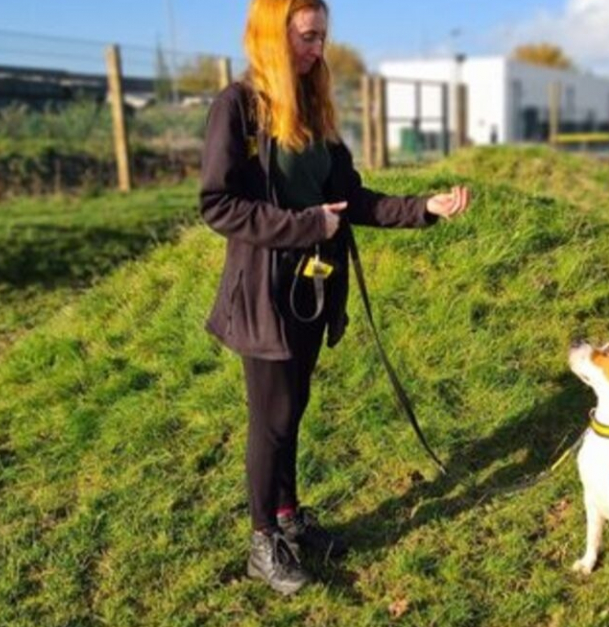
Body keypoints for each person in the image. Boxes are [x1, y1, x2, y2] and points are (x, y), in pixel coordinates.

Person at [199, 0, 471, 596]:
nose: (317, 49)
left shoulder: (314, 109)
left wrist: (424, 208)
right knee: (270, 419)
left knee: (292, 407)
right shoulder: (238, 106)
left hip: (312, 287)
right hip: (264, 294)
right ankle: (262, 540)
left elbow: (353, 199)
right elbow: (218, 204)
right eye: (306, 36)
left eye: (321, 36)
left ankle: (288, 518)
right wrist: (306, 225)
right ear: (272, 34)